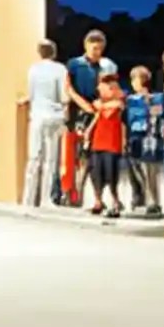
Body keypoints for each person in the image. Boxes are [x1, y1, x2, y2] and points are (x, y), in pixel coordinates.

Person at [62, 30, 117, 206]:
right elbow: (68, 88)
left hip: (97, 113)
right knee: (73, 155)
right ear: (86, 46)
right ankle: (70, 192)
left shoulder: (107, 66)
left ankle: (88, 194)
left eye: (100, 49)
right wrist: (82, 104)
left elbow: (110, 90)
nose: (97, 52)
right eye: (94, 48)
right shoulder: (74, 64)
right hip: (77, 113)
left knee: (91, 155)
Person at [22, 39, 69, 207]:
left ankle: (28, 198)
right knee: (50, 159)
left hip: (37, 115)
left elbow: (31, 93)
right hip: (54, 116)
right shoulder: (60, 69)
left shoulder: (33, 69)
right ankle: (45, 199)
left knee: (34, 157)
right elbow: (63, 95)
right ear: (54, 53)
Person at [125, 66, 164, 216]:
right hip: (134, 137)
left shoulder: (157, 98)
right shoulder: (129, 100)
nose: (133, 83)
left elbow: (157, 116)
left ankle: (154, 202)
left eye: (135, 79)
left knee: (151, 171)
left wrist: (148, 103)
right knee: (136, 170)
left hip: (150, 139)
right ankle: (141, 199)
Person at [89, 72, 126, 217]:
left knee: (112, 174)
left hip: (112, 143)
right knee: (96, 172)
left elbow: (116, 106)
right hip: (98, 141)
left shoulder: (119, 103)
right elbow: (96, 115)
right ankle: (98, 200)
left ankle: (115, 201)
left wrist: (102, 105)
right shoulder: (99, 104)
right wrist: (88, 132)